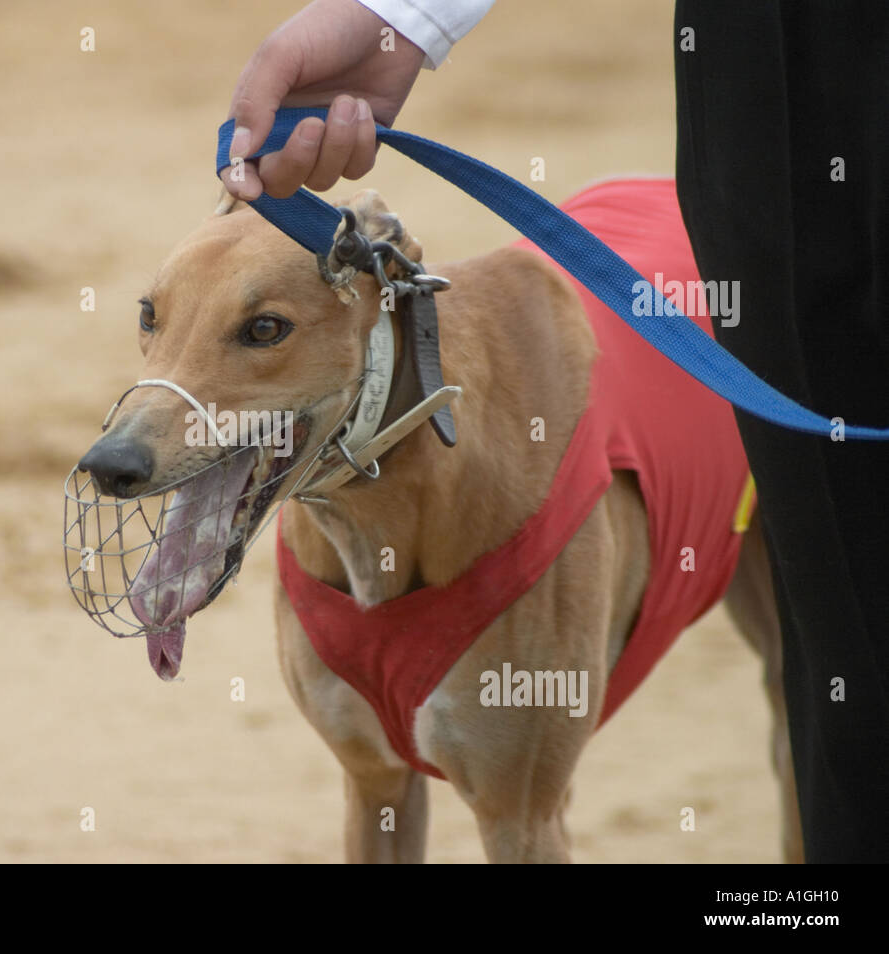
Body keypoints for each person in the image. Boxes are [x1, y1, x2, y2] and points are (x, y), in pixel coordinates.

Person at [224, 0, 889, 863]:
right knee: (849, 694)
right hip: (771, 86)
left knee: (838, 687)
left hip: (764, 209)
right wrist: (400, 18)